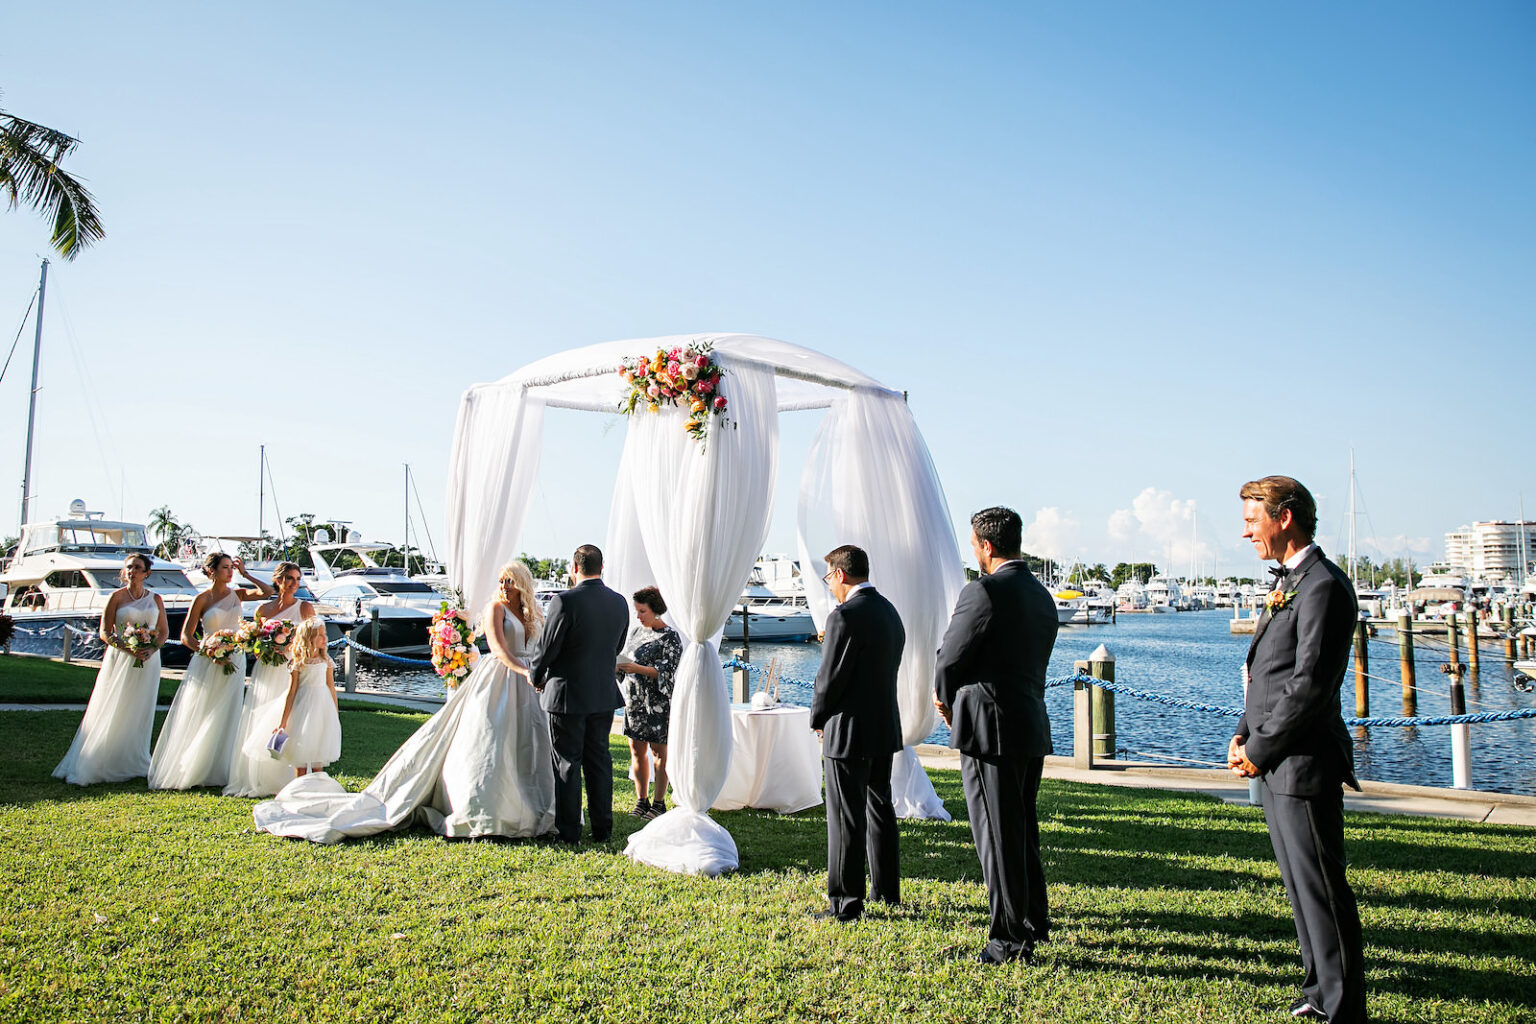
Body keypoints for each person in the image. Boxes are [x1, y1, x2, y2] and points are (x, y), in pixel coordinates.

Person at [253, 560, 555, 842]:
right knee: (493, 739)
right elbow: (500, 649)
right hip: (503, 677)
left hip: (530, 682)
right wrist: (523, 670)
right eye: (501, 580)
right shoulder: (496, 609)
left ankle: (532, 805)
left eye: (510, 581)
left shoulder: (530, 614)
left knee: (530, 743)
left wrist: (539, 671)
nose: (503, 586)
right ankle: (490, 810)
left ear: (522, 584)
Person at [1230, 476, 1366, 1023]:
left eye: (1251, 519)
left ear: (1284, 518)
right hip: (1274, 758)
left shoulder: (1323, 586)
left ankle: (1341, 1006)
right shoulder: (1293, 582)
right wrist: (1244, 732)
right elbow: (1268, 672)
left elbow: (1309, 683)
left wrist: (1259, 748)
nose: (1246, 532)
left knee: (1321, 887)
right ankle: (1316, 990)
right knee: (1296, 883)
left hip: (1303, 760)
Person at [933, 506, 1059, 964]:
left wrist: (944, 700)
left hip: (990, 728)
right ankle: (1034, 920)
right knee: (1022, 829)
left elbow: (950, 658)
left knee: (996, 834)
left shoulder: (982, 592)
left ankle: (1009, 939)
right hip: (1029, 721)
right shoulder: (1042, 595)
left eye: (974, 546)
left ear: (985, 545)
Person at [809, 544, 905, 923]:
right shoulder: (889, 611)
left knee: (845, 816)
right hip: (883, 725)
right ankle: (885, 889)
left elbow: (829, 679)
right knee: (880, 807)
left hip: (847, 729)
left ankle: (845, 902)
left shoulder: (844, 616)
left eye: (828, 577)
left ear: (840, 574)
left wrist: (818, 718)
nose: (828, 585)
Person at [531, 544, 628, 844]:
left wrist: (537, 675)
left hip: (567, 694)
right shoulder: (620, 602)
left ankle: (569, 832)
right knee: (599, 761)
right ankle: (603, 829)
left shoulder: (564, 601)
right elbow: (618, 646)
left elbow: (548, 647)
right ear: (602, 568)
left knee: (567, 763)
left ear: (574, 568)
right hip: (602, 692)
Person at [149, 553, 271, 790]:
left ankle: (221, 768)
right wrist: (208, 651)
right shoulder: (202, 599)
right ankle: (193, 766)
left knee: (228, 711)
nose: (230, 571)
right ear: (212, 571)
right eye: (225, 567)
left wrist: (246, 574)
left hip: (234, 659)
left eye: (231, 568)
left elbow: (267, 592)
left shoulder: (239, 594)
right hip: (208, 661)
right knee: (203, 709)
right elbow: (186, 636)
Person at [52, 553, 169, 785]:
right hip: (121, 657)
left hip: (148, 660)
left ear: (147, 572)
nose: (132, 571)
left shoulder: (156, 599)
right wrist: (128, 647)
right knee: (114, 704)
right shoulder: (116, 597)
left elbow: (163, 632)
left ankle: (133, 759)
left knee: (140, 708)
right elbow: (104, 632)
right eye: (128, 567)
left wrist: (151, 648)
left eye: (137, 567)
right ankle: (101, 759)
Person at [225, 561, 315, 797]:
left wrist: (288, 647)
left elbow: (311, 641)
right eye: (290, 579)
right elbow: (254, 644)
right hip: (266, 669)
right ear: (278, 581)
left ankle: (289, 777)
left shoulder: (304, 608)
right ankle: (260, 775)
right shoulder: (263, 610)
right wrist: (263, 649)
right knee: (261, 716)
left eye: (297, 579)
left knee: (289, 721)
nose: (294, 584)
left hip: (290, 669)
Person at [616, 586, 681, 820]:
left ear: (655, 610)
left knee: (659, 751)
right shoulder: (635, 633)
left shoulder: (670, 637)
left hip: (657, 702)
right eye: (637, 611)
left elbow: (670, 671)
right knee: (636, 749)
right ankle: (641, 800)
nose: (638, 616)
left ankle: (659, 802)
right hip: (634, 700)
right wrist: (620, 667)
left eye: (642, 611)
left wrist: (637, 669)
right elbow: (627, 658)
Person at [260, 617, 341, 776]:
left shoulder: (326, 660)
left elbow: (331, 687)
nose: (325, 639)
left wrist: (334, 711)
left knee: (318, 753)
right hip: (301, 707)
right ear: (309, 638)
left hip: (321, 708)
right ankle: (298, 789)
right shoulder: (298, 662)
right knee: (301, 757)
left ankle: (317, 787)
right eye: (320, 635)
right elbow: (292, 692)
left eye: (325, 635)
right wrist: (283, 722)